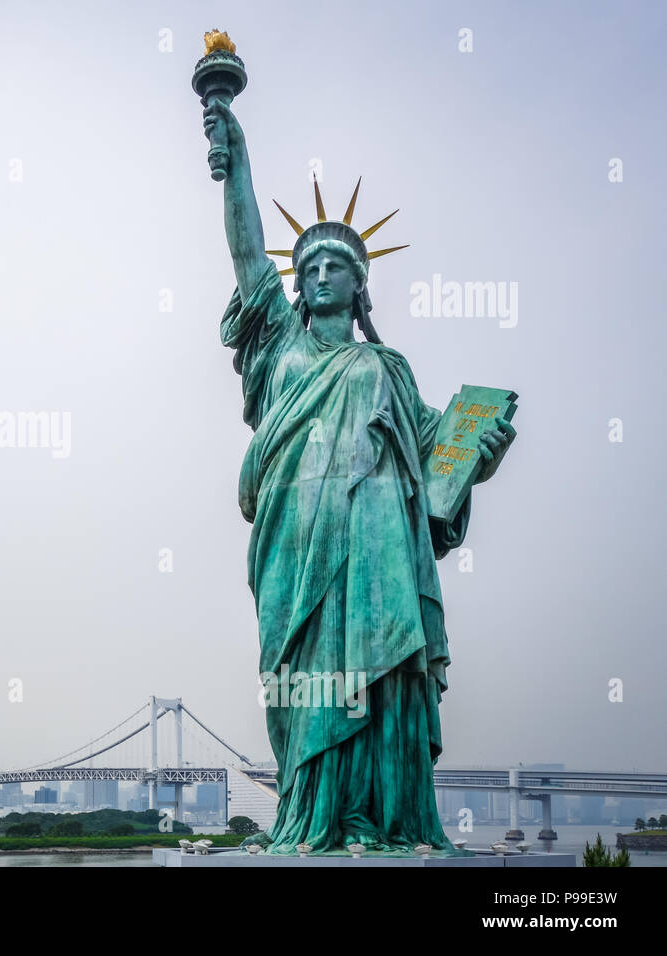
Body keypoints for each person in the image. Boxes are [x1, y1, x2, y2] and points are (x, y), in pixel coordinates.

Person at [202, 100, 515, 853]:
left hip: (376, 552)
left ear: (358, 282)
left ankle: (386, 820)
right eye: (306, 268)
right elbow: (249, 261)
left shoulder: (387, 369)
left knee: (382, 675)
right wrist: (235, 158)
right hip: (295, 544)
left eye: (333, 265)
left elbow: (441, 456)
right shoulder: (279, 349)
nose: (316, 276)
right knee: (301, 677)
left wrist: (484, 450)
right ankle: (309, 819)